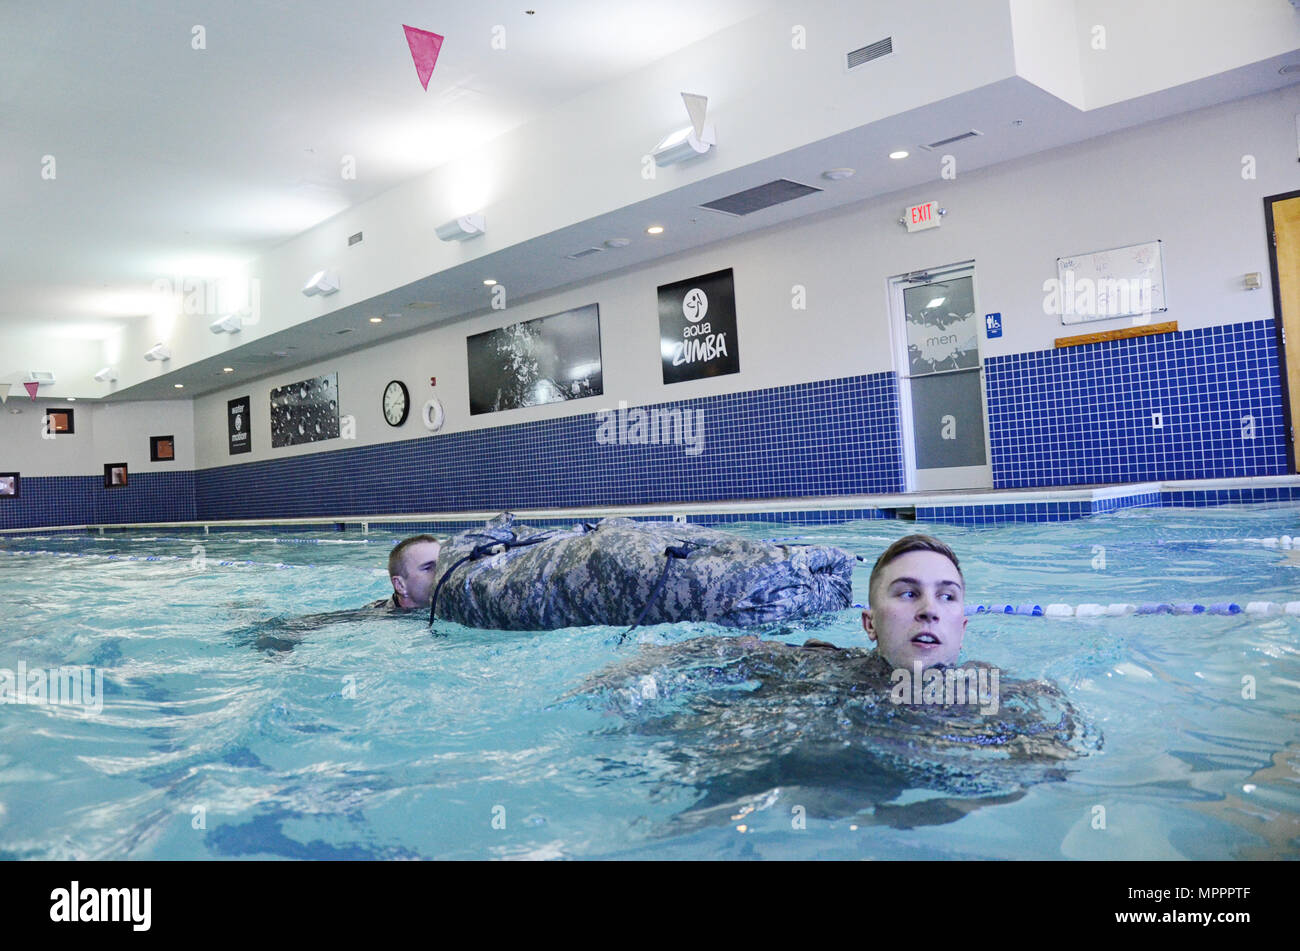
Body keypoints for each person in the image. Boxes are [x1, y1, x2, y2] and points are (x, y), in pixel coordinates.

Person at [375, 534, 442, 611]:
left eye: (442, 564)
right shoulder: (374, 620)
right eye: (428, 568)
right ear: (400, 585)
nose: (441, 571)